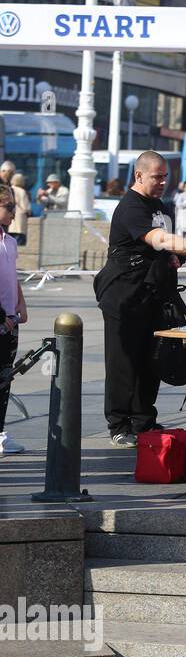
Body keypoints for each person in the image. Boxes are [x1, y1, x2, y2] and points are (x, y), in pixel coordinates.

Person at [94, 152, 186, 447]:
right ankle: (119, 423)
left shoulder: (161, 206)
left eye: (165, 176)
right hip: (124, 295)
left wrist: (176, 258)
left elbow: (168, 246)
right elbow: (159, 240)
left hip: (153, 293)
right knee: (123, 359)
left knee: (151, 358)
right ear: (139, 176)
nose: (163, 181)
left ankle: (143, 419)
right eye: (156, 176)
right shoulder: (129, 207)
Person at [0, 185, 28, 455]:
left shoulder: (8, 241)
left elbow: (12, 275)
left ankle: (0, 433)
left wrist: (20, 302)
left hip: (10, 319)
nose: (13, 212)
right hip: (1, 319)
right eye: (8, 207)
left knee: (5, 377)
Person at [7, 174, 29, 247]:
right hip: (19, 219)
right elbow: (26, 207)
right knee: (18, 244)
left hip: (8, 219)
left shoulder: (7, 189)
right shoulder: (22, 191)